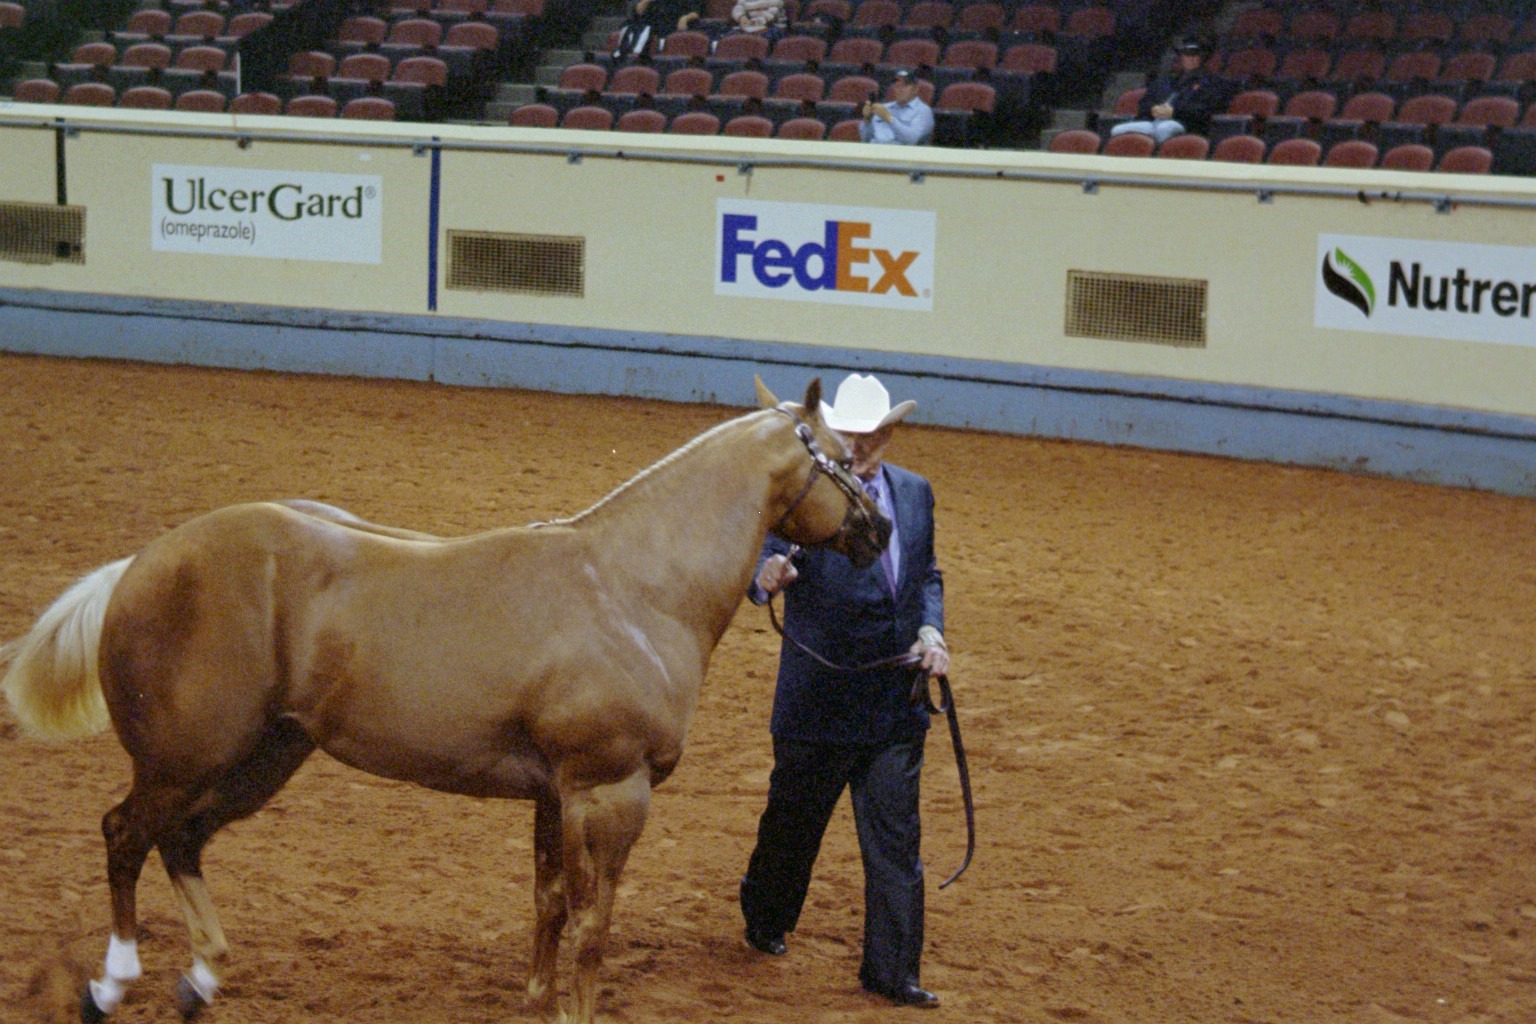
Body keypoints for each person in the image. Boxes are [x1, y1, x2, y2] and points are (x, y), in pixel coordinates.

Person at [740, 373, 950, 1009]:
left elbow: (927, 573)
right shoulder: (804, 488)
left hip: (894, 699)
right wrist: (765, 576)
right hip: (818, 701)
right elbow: (757, 559)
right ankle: (765, 916)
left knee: (895, 842)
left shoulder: (914, 493)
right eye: (848, 436)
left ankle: (893, 971)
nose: (857, 447)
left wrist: (931, 628)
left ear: (887, 435)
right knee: (793, 828)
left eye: (868, 437)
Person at [1110, 38, 1223, 145]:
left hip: (1183, 124)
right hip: (1154, 121)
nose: (1191, 58)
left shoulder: (1211, 82)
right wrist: (1153, 109)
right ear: (1182, 58)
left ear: (1202, 58)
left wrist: (1174, 112)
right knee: (1117, 130)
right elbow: (1144, 103)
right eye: (1187, 55)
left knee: (1164, 129)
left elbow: (1204, 111)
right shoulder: (1165, 81)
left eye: (1195, 55)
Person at [859, 68, 935, 146]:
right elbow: (865, 139)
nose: (900, 89)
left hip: (902, 155)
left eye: (905, 86)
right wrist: (867, 120)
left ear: (915, 89)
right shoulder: (884, 108)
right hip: (874, 151)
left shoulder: (923, 111)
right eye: (897, 86)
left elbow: (912, 140)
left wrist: (890, 119)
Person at [613, 0, 700, 59]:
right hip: (652, 27)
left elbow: (696, 13)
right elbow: (639, 11)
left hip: (673, 26)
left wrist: (685, 18)